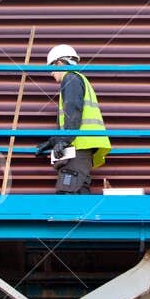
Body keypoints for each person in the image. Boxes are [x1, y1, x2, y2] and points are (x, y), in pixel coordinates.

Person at [38, 44, 111, 193]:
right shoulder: (78, 79)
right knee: (79, 192)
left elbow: (74, 112)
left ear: (59, 63)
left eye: (51, 68)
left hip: (79, 147)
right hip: (82, 148)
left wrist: (64, 141)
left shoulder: (70, 78)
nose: (51, 74)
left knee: (67, 193)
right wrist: (53, 141)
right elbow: (72, 117)